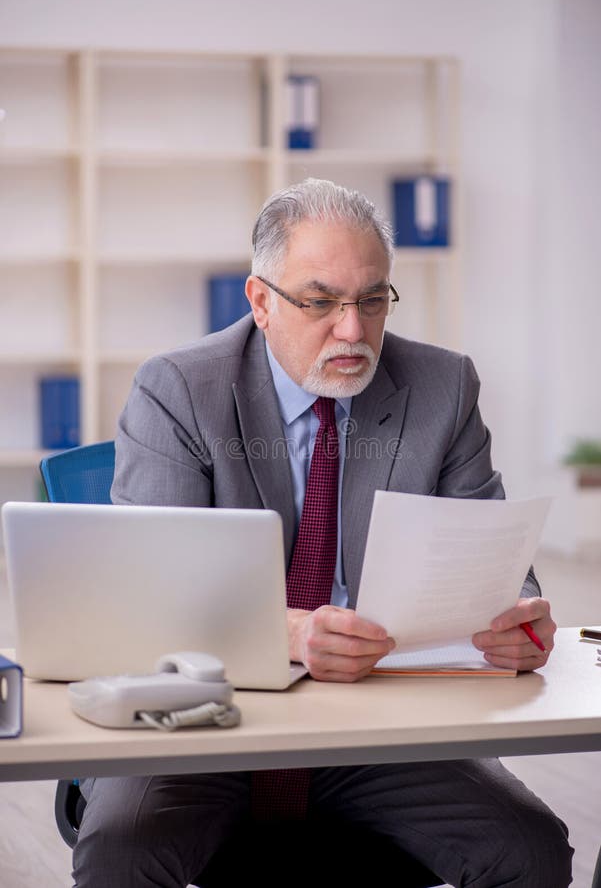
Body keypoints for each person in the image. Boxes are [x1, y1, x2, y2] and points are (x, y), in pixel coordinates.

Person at [72, 178, 573, 887]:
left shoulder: (442, 386)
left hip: (381, 723)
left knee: (528, 850)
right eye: (320, 301)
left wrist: (515, 617)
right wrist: (286, 635)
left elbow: (496, 551)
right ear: (260, 301)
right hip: (206, 718)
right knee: (123, 855)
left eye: (372, 299)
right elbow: (147, 600)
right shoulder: (179, 389)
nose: (351, 329)